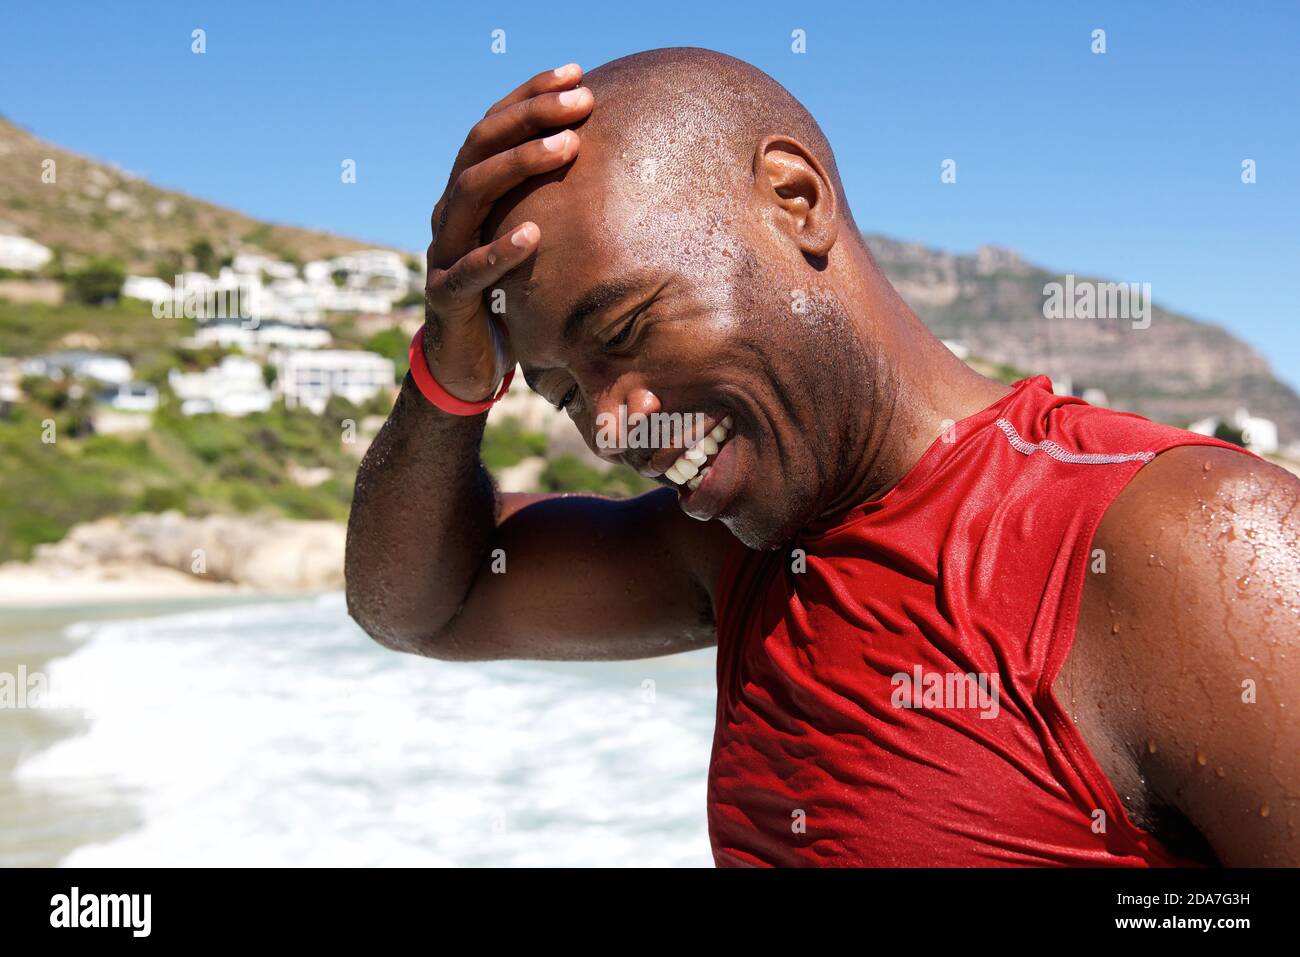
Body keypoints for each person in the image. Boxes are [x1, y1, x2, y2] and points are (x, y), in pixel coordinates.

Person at [345, 48, 1299, 866]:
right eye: (561, 394)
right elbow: (426, 603)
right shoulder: (741, 552)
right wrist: (447, 376)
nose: (611, 425)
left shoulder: (1192, 544)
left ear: (794, 200)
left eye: (628, 327)